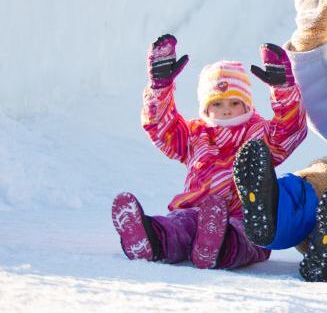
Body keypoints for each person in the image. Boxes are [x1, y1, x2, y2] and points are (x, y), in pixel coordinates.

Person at [111, 35, 307, 270]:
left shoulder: (258, 133)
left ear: (247, 103)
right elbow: (161, 128)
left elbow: (290, 129)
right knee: (179, 226)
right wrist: (160, 88)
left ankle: (217, 247)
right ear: (206, 106)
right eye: (217, 104)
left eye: (235, 103)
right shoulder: (195, 134)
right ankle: (150, 238)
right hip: (196, 212)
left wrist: (283, 89)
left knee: (242, 240)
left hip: (245, 218)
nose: (226, 110)